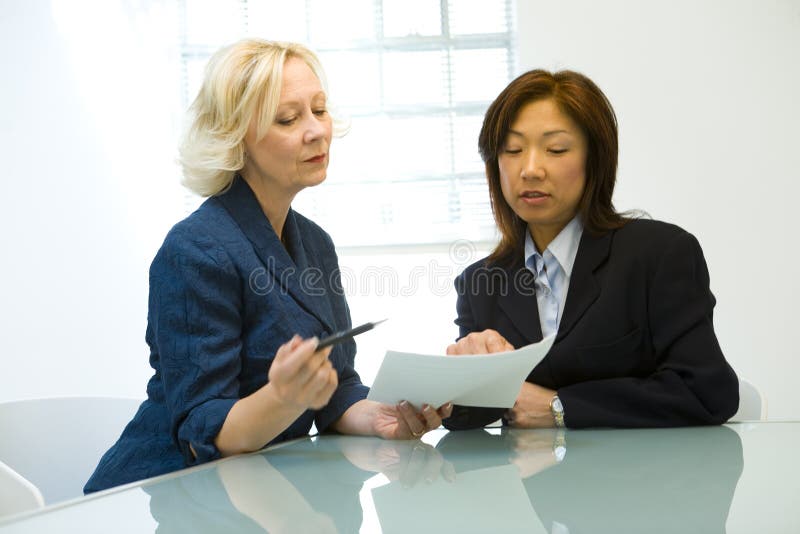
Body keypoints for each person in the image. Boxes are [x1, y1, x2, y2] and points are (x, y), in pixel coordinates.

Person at [85, 38, 451, 493]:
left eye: (320, 109)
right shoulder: (194, 251)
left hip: (267, 492)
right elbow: (206, 431)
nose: (317, 130)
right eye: (288, 118)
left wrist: (381, 418)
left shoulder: (315, 244)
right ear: (236, 138)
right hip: (169, 491)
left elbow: (337, 390)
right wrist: (283, 397)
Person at [443, 69, 738, 430]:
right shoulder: (479, 282)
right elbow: (474, 415)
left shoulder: (660, 254)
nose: (530, 169)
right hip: (528, 481)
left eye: (556, 149)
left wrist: (559, 407)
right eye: (513, 150)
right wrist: (449, 390)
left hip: (643, 481)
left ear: (594, 160)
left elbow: (707, 391)